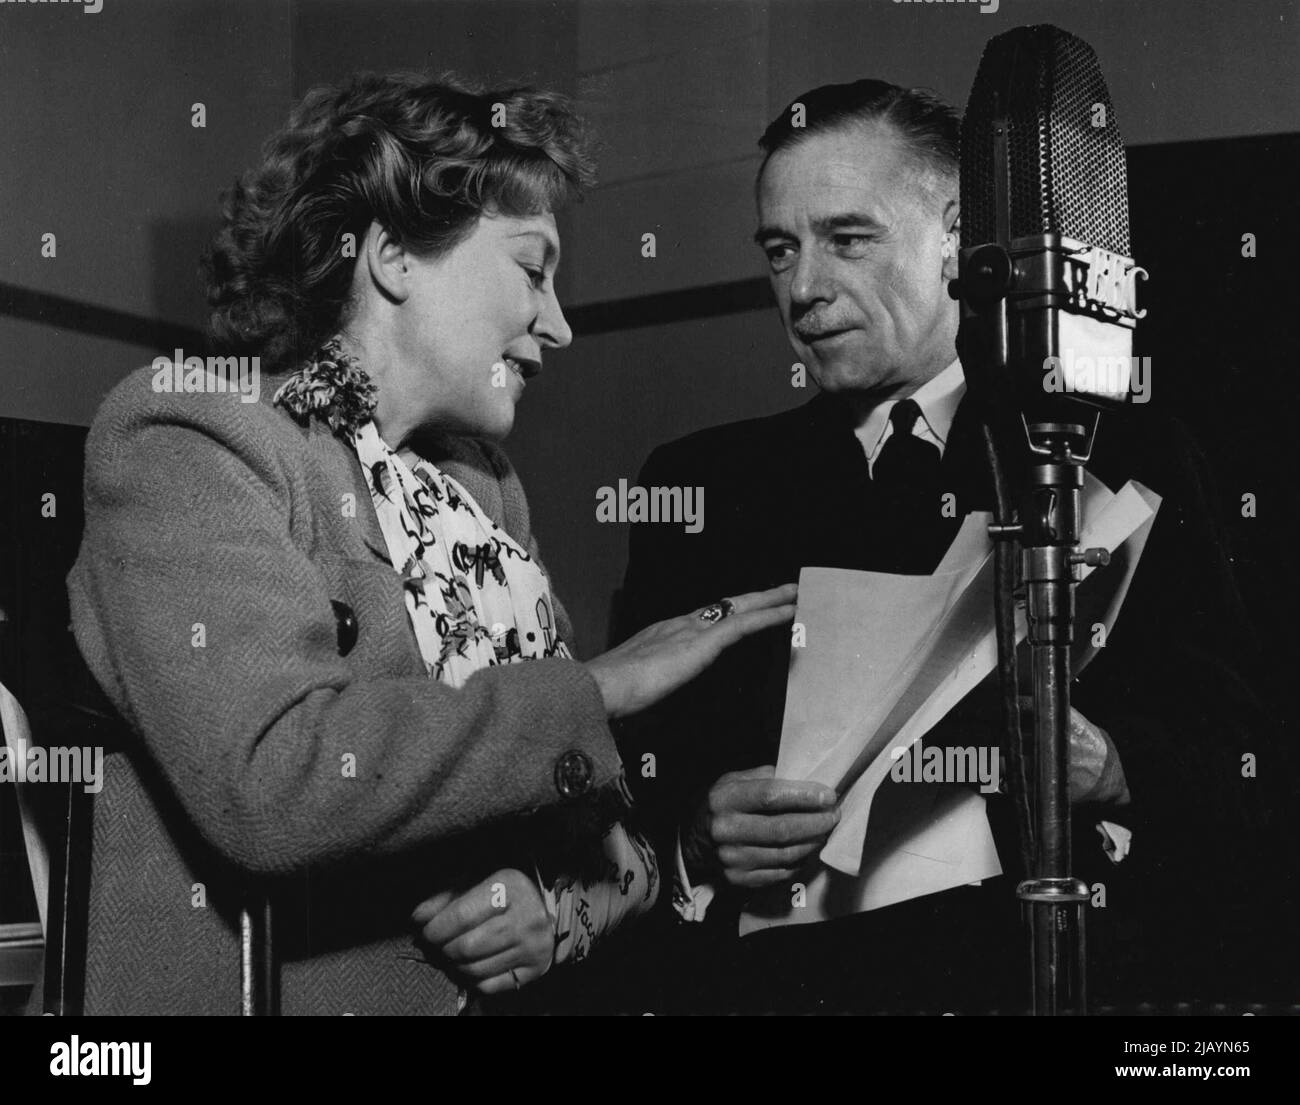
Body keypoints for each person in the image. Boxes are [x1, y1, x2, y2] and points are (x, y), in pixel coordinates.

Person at [61, 72, 794, 1015]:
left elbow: (615, 848)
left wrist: (551, 906)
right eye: (533, 270)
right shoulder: (193, 434)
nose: (559, 323)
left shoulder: (480, 489)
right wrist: (600, 686)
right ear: (395, 252)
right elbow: (275, 785)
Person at [614, 80, 1280, 1014]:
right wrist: (693, 835)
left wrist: (1110, 764)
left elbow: (1247, 759)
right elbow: (623, 787)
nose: (804, 288)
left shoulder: (1116, 453)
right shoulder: (700, 487)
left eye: (849, 239)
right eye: (780, 249)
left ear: (956, 238)